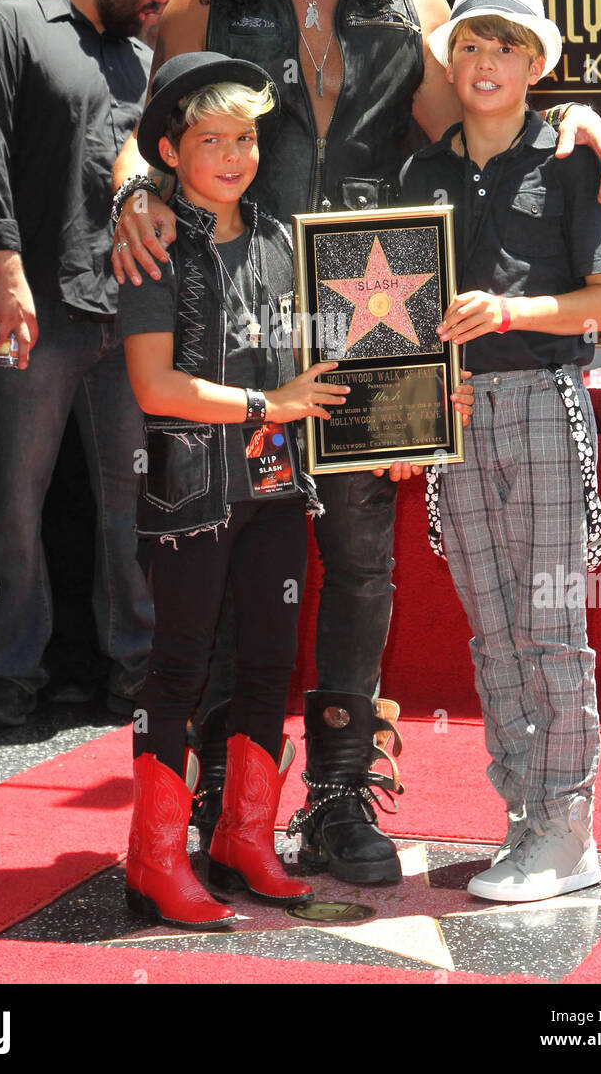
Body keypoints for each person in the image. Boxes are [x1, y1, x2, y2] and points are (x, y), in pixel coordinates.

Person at [109, 0, 601, 884]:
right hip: (231, 318)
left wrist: (572, 118)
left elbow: (481, 125)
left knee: (357, 553)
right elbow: (145, 136)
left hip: (370, 317)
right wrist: (131, 195)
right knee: (231, 546)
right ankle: (213, 795)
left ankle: (340, 795)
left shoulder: (414, 1)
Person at [400, 0, 601, 903]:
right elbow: (402, 315)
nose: (483, 61)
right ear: (449, 61)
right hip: (457, 420)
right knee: (492, 632)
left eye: (504, 46)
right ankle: (525, 818)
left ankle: (571, 831)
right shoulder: (423, 173)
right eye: (468, 44)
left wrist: (509, 312)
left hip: (545, 398)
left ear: (536, 62)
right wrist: (420, 392)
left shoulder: (575, 159)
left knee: (552, 626)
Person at [118, 51, 340, 928]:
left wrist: (418, 402)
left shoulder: (285, 240)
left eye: (244, 136)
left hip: (281, 490)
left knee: (269, 667)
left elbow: (325, 364)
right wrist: (266, 403)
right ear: (170, 152)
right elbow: (153, 387)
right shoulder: (153, 242)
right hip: (190, 495)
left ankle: (243, 841)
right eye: (211, 138)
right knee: (176, 671)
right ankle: (153, 861)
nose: (233, 154)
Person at [0, 0, 176, 729]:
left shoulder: (146, 60)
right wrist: (4, 274)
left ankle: (136, 668)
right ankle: (6, 673)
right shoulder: (5, 24)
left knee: (132, 502)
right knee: (9, 495)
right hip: (28, 306)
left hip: (129, 316)